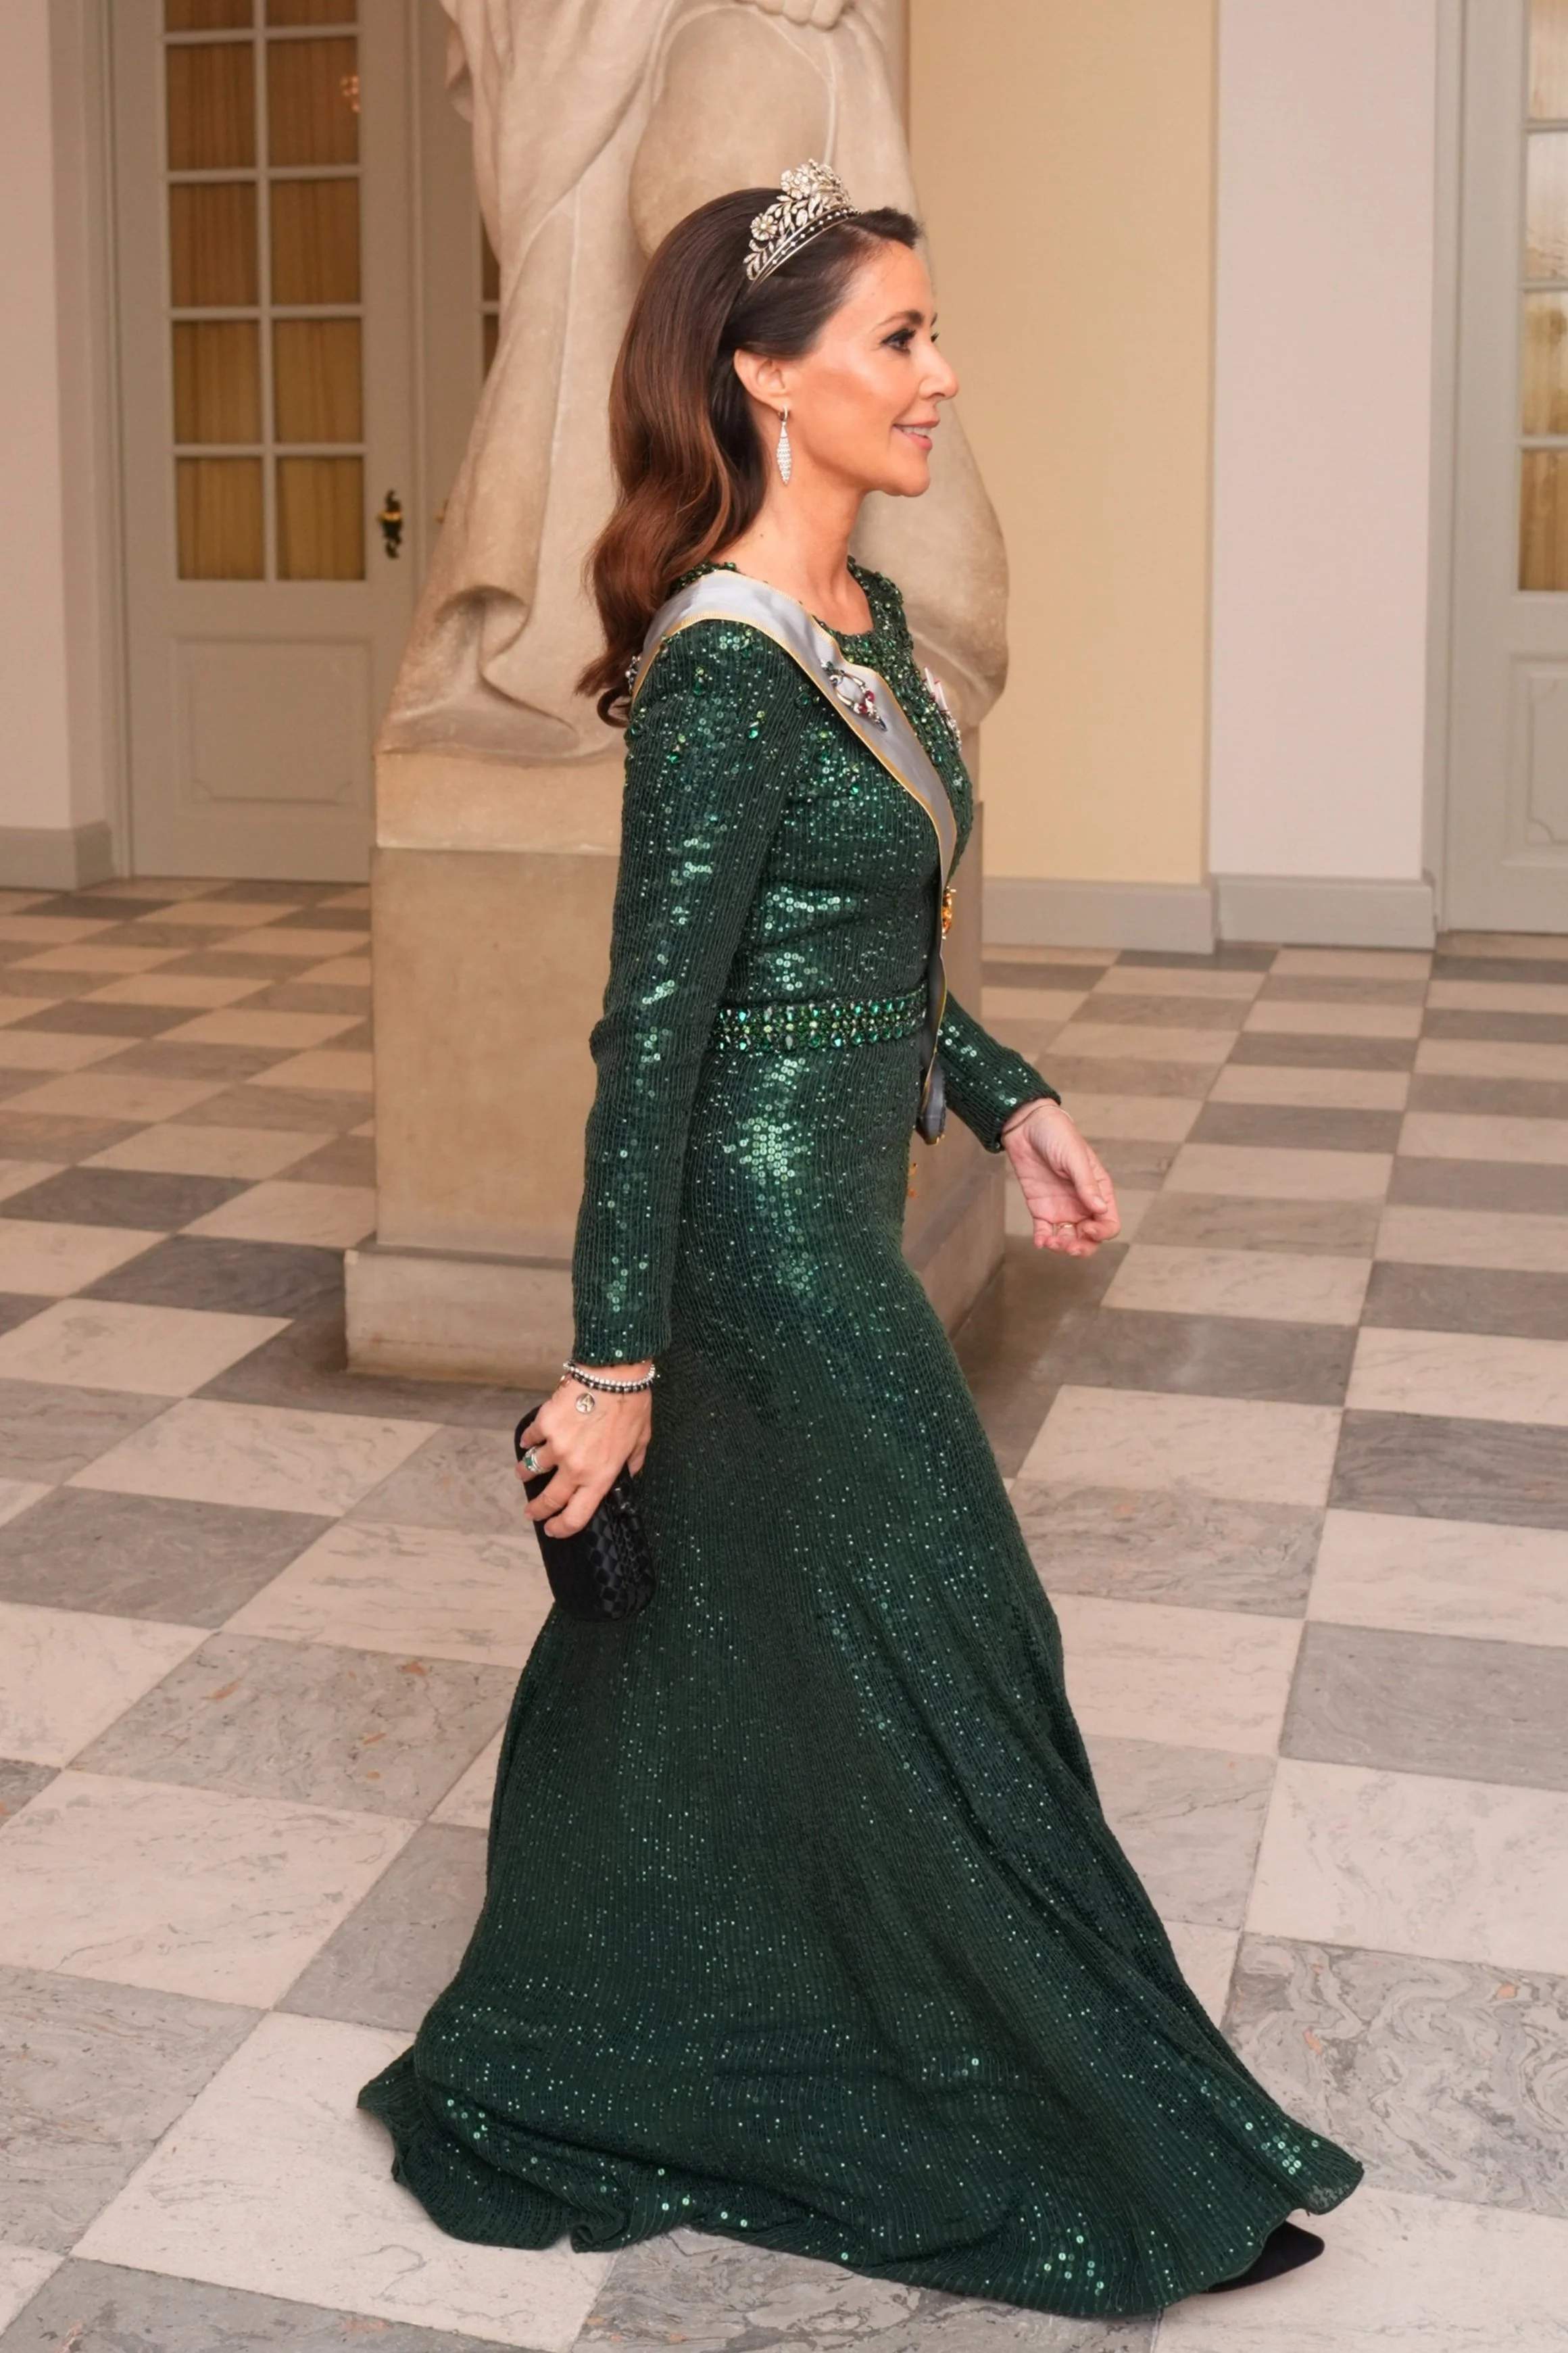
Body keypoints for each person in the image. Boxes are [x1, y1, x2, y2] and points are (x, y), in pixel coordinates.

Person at [360, 166, 1363, 2321]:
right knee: (957, 1651)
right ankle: (1087, 2127)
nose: (940, 372)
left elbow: (873, 958)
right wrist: (612, 1369)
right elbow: (657, 1043)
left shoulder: (869, 634)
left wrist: (1018, 1098)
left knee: (738, 1674)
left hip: (835, 1225)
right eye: (897, 337)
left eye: (928, 329)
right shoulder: (726, 673)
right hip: (756, 1261)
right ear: (764, 375)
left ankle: (653, 2023)